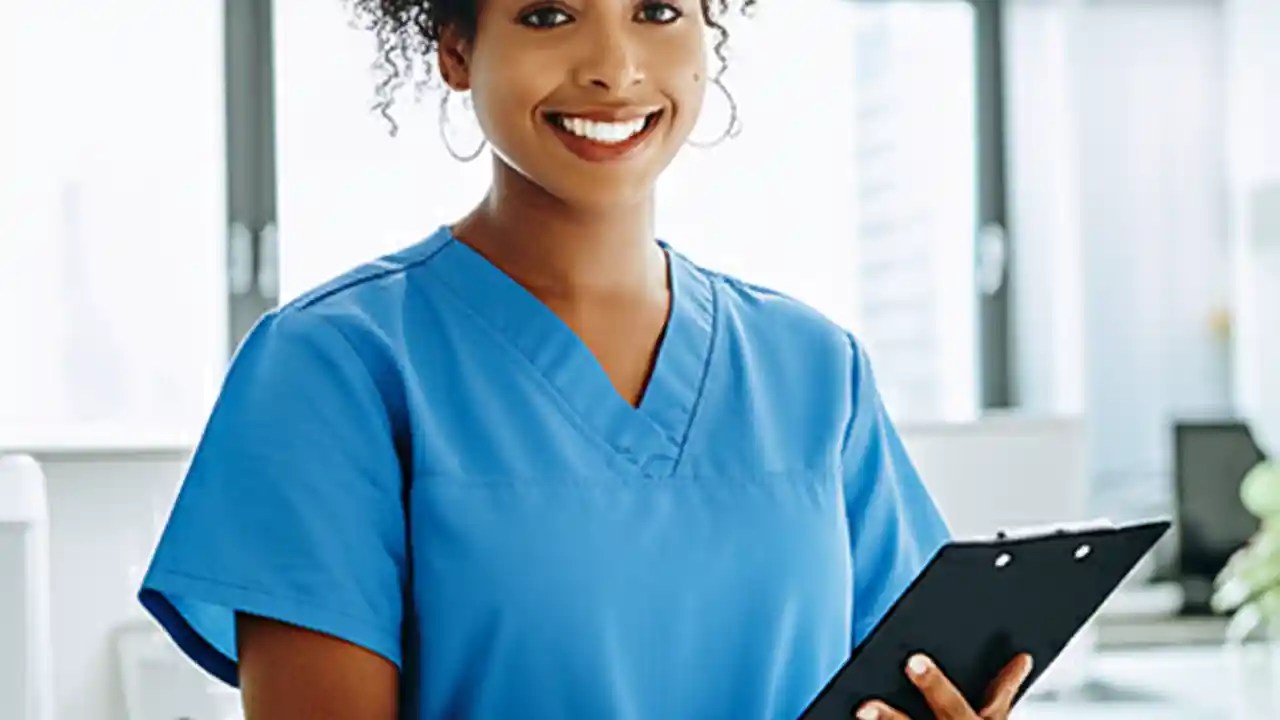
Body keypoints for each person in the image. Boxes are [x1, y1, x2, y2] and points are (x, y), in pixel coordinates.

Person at [138, 1, 1032, 718]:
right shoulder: (334, 368)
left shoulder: (814, 370)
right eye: (548, 16)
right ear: (456, 48)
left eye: (657, 11)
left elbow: (904, 675)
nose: (614, 66)